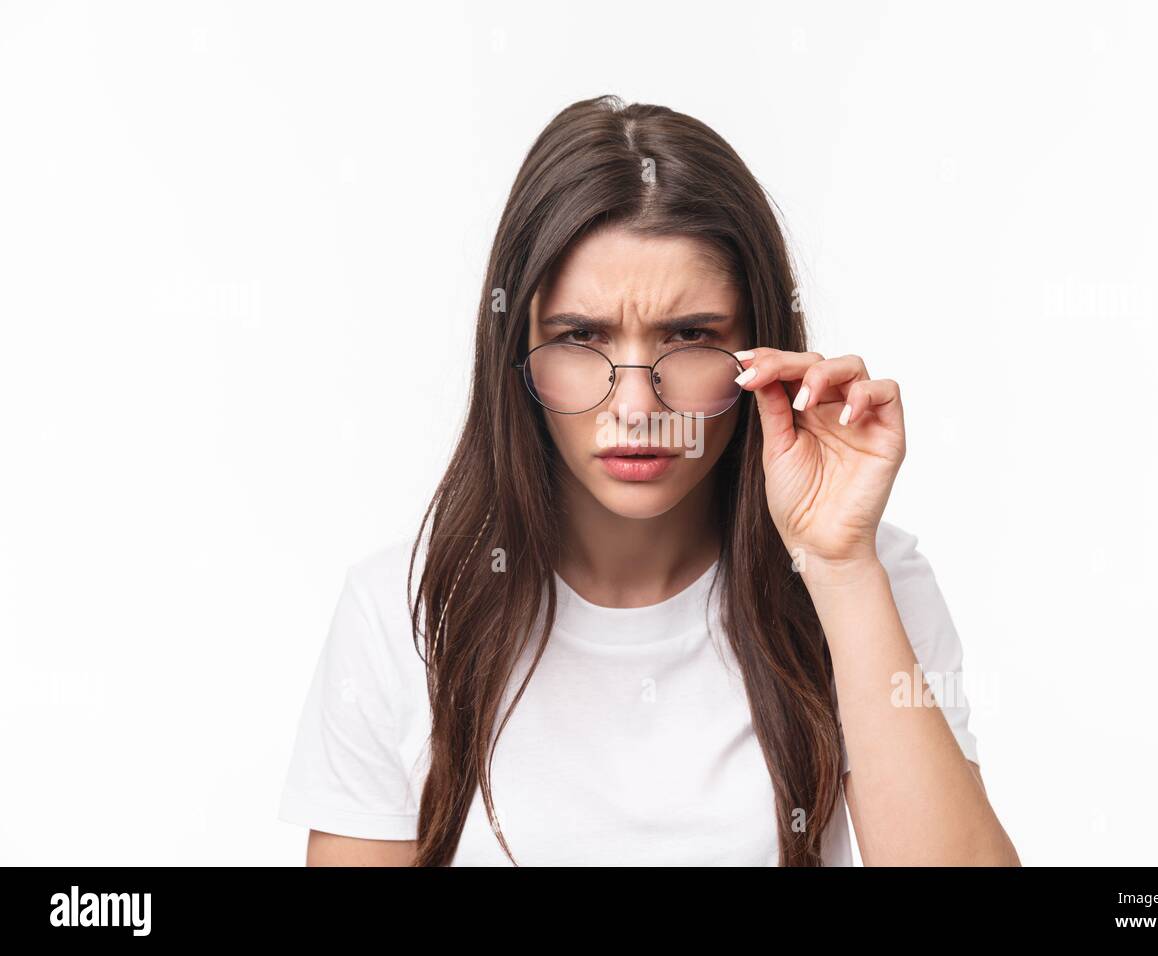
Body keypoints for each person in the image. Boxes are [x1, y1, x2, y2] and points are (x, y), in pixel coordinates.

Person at [277, 95, 1020, 866]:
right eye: (581, 336)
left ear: (759, 349)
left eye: (691, 336)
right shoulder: (402, 609)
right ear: (517, 350)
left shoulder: (871, 577)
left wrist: (839, 567)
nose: (636, 407)